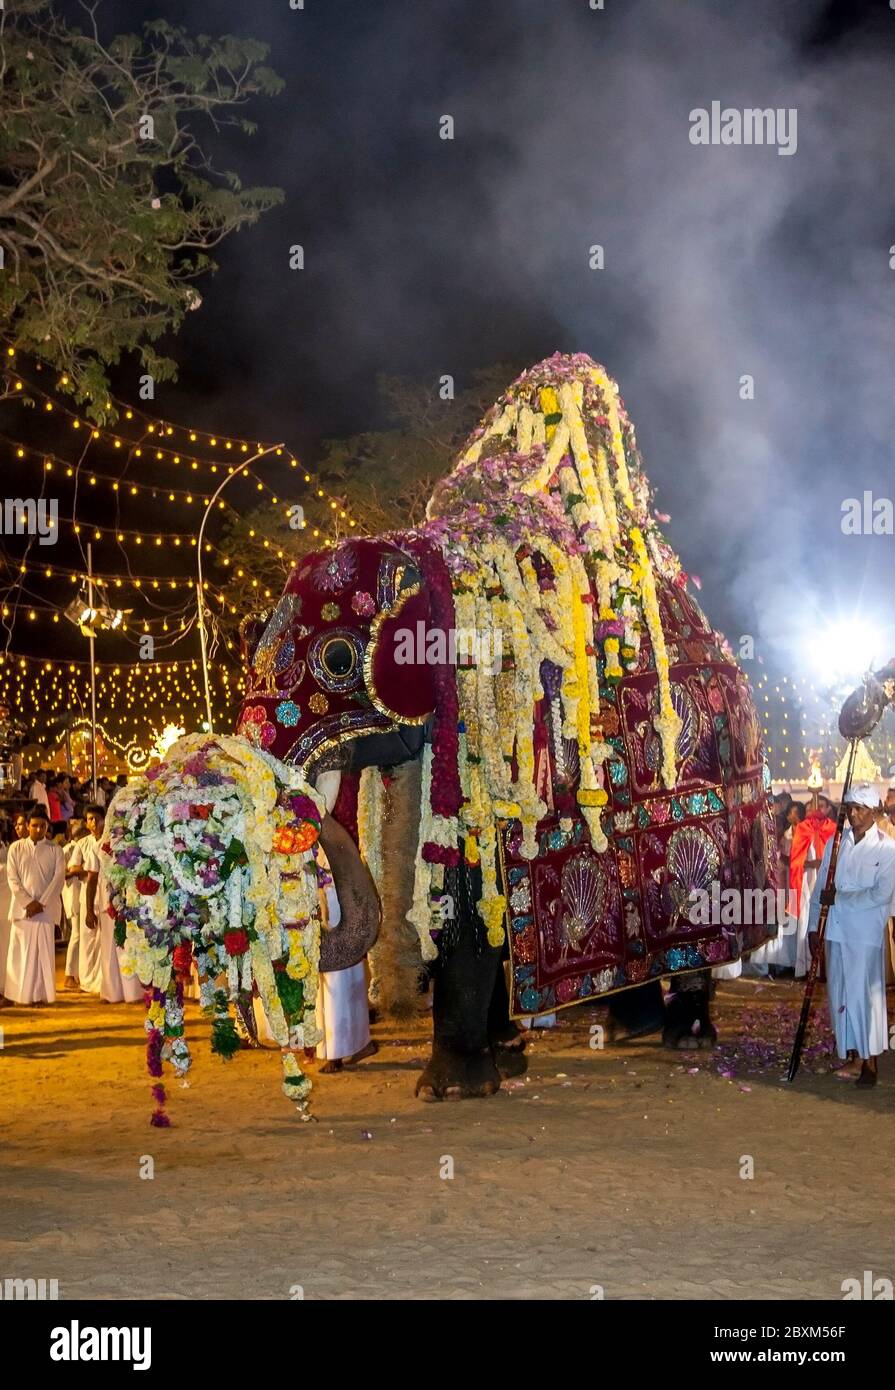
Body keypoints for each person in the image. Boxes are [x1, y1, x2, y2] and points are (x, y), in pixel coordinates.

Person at [808, 782, 895, 1087]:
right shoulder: (836, 844)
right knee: (841, 995)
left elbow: (882, 894)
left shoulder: (886, 848)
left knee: (864, 997)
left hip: (864, 935)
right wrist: (811, 929)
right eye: (850, 808)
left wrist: (841, 900)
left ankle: (869, 1062)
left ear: (873, 812)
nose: (853, 814)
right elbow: (819, 891)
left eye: (859, 808)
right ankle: (853, 1055)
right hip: (835, 931)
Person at [3, 807, 65, 1006]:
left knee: (42, 955)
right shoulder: (16, 848)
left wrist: (41, 903)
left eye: (42, 826)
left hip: (45, 912)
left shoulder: (55, 850)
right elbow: (13, 879)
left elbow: (58, 879)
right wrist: (28, 902)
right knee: (19, 953)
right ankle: (17, 995)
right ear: (27, 826)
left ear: (47, 827)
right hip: (23, 910)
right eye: (35, 826)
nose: (38, 830)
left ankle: (40, 996)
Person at [83, 804, 142, 1003]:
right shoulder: (98, 846)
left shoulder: (132, 843)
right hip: (106, 904)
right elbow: (91, 879)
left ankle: (133, 992)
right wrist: (89, 910)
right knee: (108, 948)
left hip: (129, 903)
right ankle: (111, 992)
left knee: (128, 945)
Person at [790, 801, 836, 976]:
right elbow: (795, 860)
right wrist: (810, 863)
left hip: (825, 880)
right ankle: (806, 967)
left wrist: (823, 865)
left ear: (828, 809)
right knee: (805, 921)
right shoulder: (802, 828)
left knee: (826, 919)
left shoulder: (832, 828)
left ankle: (824, 968)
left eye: (822, 806)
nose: (816, 809)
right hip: (807, 881)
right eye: (811, 806)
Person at [62, 819, 89, 990]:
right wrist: (81, 869)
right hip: (72, 894)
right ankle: (69, 975)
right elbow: (63, 873)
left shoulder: (83, 846)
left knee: (80, 935)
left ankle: (77, 973)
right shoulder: (67, 850)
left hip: (82, 895)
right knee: (76, 935)